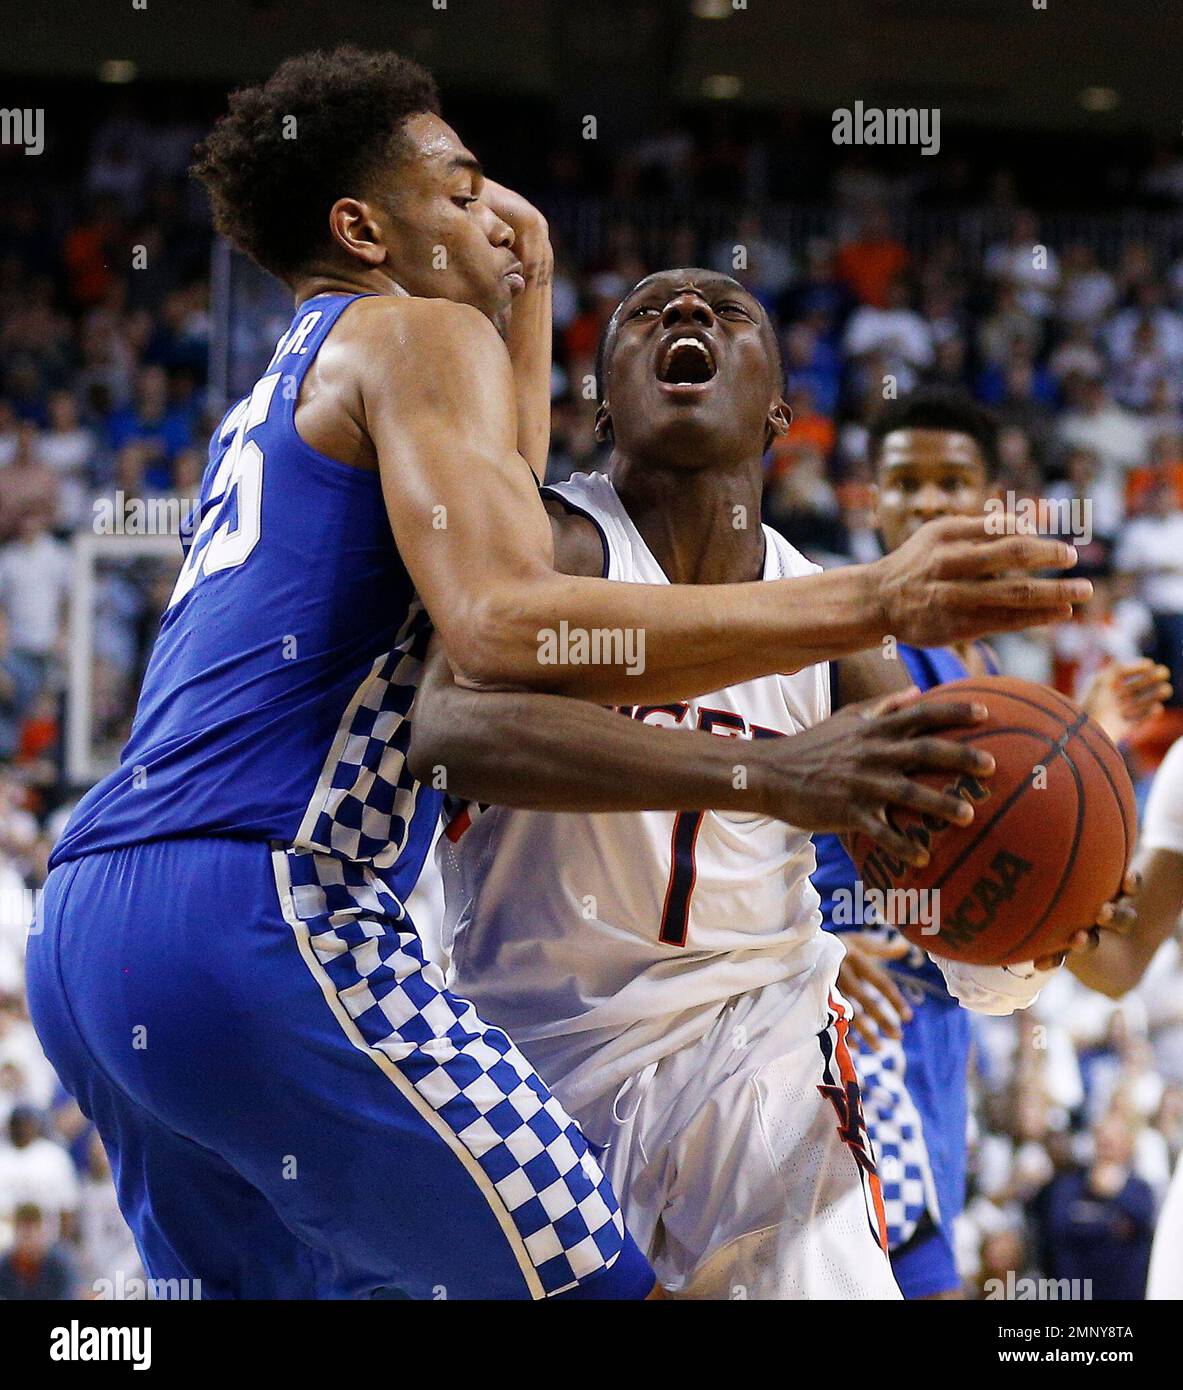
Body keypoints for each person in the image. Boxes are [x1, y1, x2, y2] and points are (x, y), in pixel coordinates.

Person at [25, 49, 1089, 1302]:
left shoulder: (291, 382)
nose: (500, 214)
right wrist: (874, 600)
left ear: (778, 415)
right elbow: (494, 621)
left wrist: (519, 297)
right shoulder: (421, 337)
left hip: (89, 928)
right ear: (364, 228)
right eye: (466, 188)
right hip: (272, 901)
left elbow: (492, 505)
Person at [413, 278, 1122, 1298]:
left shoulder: (833, 618)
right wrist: (767, 772)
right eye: (648, 312)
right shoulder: (547, 555)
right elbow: (445, 734)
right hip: (534, 1061)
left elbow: (945, 857)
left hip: (754, 1058)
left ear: (781, 411)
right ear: (603, 405)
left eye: (723, 311)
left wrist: (1028, 942)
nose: (687, 315)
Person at [812, 387, 1163, 1300]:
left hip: (940, 1018)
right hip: (859, 1012)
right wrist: (809, 939)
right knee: (908, 1276)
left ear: (988, 498)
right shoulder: (847, 625)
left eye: (951, 481)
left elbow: (1002, 827)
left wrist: (1084, 742)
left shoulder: (988, 665)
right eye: (904, 482)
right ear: (869, 497)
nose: (926, 502)